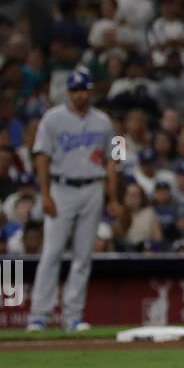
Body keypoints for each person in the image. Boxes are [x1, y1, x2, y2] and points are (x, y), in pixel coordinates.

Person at [26, 67, 119, 332]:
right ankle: (39, 315)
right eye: (76, 90)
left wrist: (113, 197)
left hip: (93, 187)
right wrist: (44, 195)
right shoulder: (52, 119)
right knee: (52, 253)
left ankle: (72, 316)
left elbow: (113, 160)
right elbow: (41, 157)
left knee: (83, 256)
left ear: (90, 91)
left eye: (84, 89)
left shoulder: (103, 121)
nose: (80, 95)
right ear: (68, 92)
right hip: (61, 187)